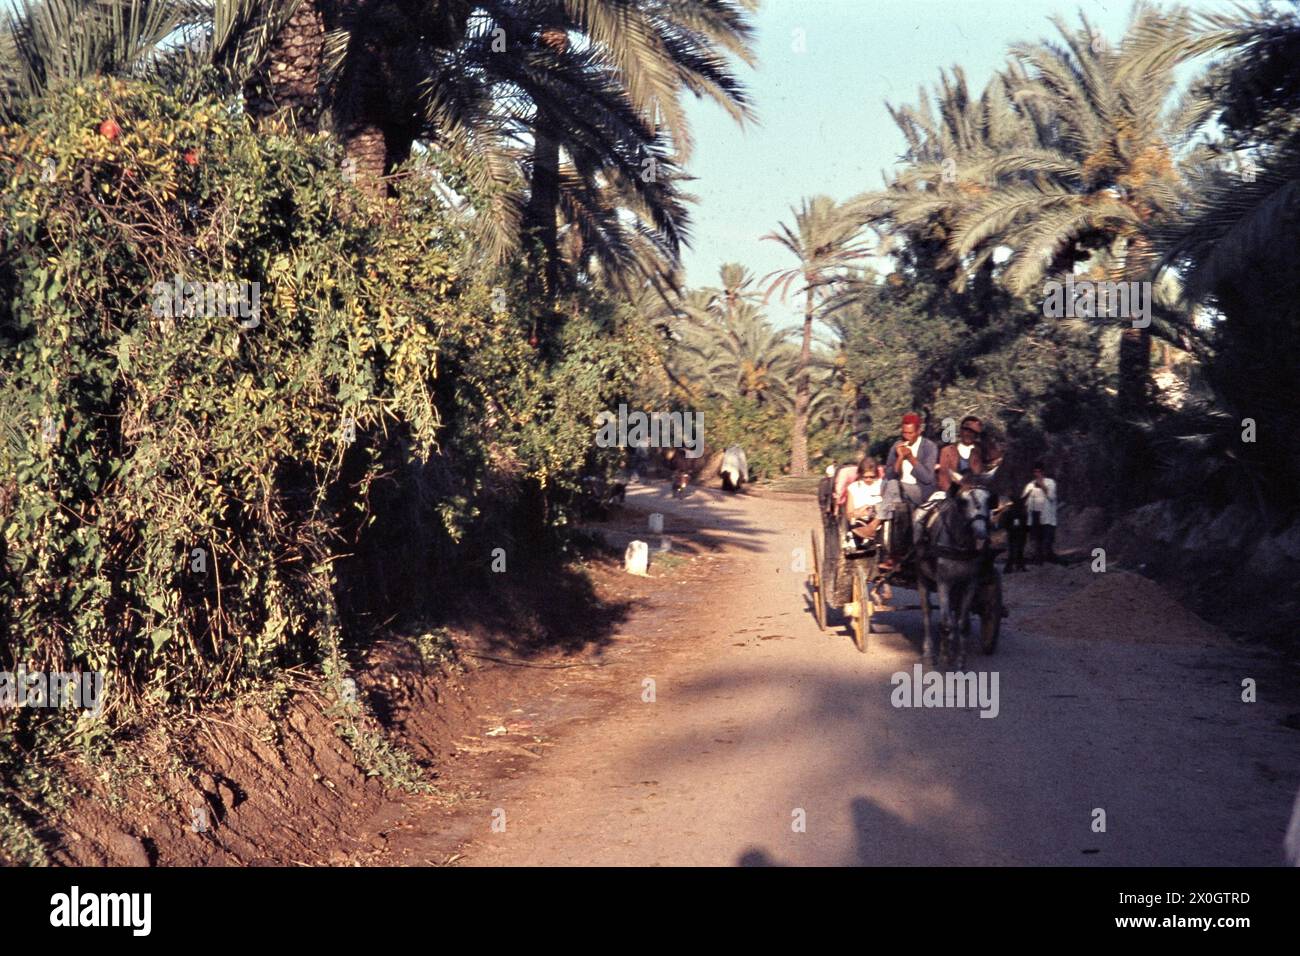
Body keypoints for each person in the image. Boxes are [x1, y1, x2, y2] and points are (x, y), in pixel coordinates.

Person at [879, 413, 939, 570]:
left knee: (893, 487)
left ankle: (892, 551)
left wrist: (911, 458)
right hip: (899, 492)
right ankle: (893, 549)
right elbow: (890, 474)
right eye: (904, 432)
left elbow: (927, 477)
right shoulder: (897, 446)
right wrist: (899, 458)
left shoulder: (929, 447)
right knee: (892, 486)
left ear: (918, 431)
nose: (907, 436)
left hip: (922, 492)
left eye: (910, 433)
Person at [840, 457, 884, 544]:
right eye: (865, 477)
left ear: (876, 475)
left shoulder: (881, 484)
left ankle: (871, 536)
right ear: (860, 475)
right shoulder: (853, 488)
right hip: (860, 519)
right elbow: (849, 514)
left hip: (879, 518)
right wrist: (860, 512)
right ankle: (864, 539)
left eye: (872, 477)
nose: (868, 480)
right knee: (856, 524)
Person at [1022, 462, 1058, 564]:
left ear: (1043, 472)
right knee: (1036, 540)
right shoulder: (1030, 485)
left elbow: (1052, 497)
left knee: (1047, 539)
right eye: (1035, 472)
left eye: (1039, 471)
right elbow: (1024, 500)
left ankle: (1049, 557)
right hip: (1034, 516)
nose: (1037, 473)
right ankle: (1038, 558)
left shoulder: (1050, 483)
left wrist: (1042, 484)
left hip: (1047, 516)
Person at [937, 416, 985, 492]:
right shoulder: (947, 451)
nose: (968, 434)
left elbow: (981, 476)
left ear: (976, 435)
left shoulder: (980, 451)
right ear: (961, 430)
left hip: (975, 492)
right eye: (966, 430)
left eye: (973, 432)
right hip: (952, 494)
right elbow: (944, 478)